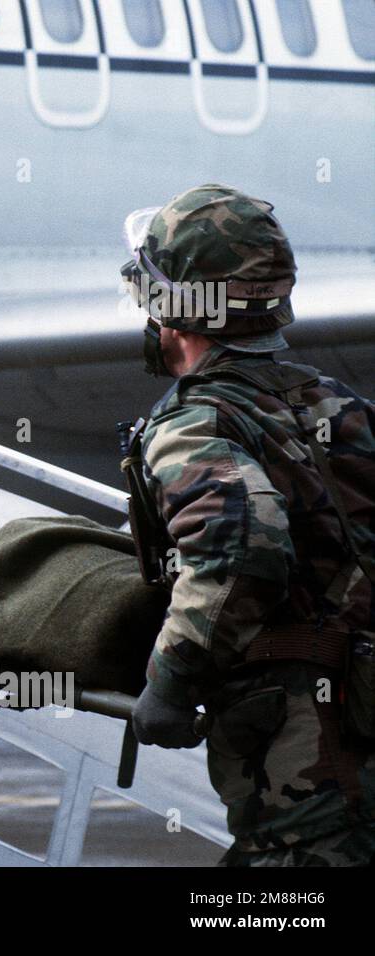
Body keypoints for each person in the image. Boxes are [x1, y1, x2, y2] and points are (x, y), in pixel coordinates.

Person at [121, 184, 375, 866]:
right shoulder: (338, 405)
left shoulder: (194, 425)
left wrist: (169, 686)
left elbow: (239, 552)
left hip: (309, 792)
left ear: (169, 311)